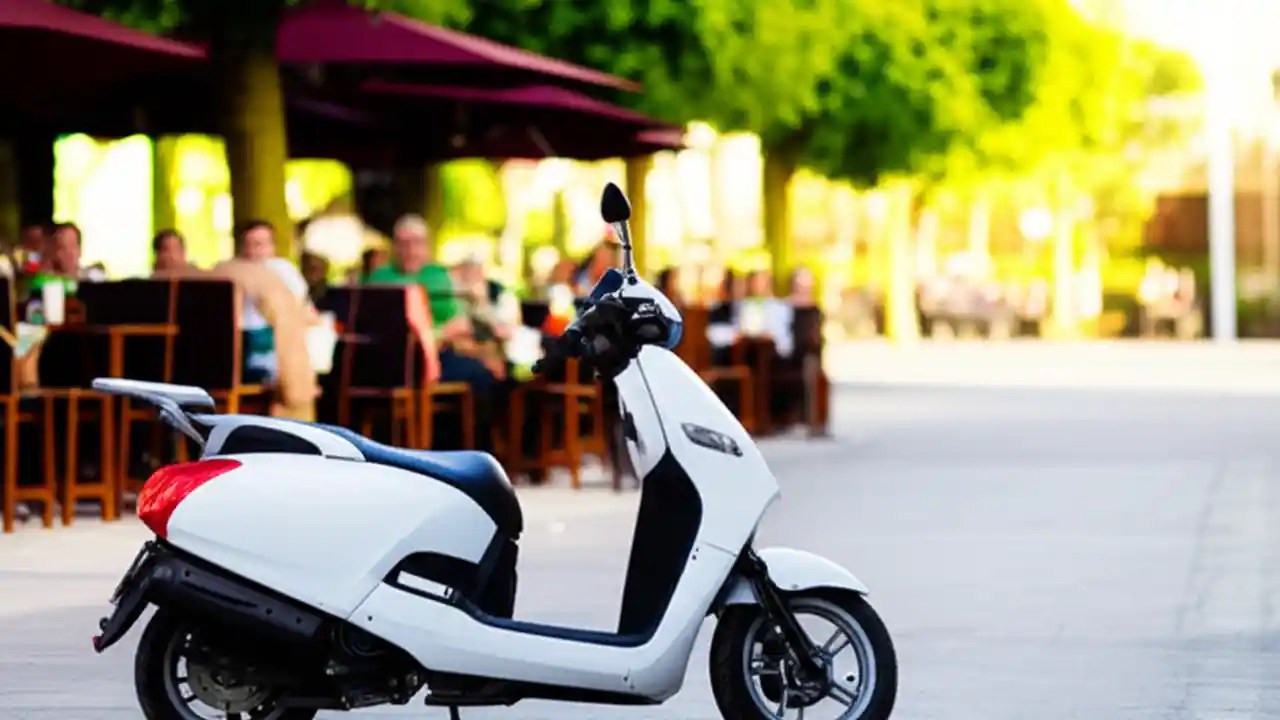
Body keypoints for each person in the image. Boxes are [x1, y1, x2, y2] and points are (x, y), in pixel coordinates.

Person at [364, 215, 496, 450]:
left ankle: (475, 453)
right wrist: (435, 335)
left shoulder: (439, 276)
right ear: (394, 246)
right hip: (393, 361)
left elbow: (459, 323)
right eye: (403, 243)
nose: (410, 250)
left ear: (426, 246)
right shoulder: (379, 278)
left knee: (485, 378)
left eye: (416, 243)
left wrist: (436, 336)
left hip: (438, 354)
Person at [233, 220, 313, 383]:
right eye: (249, 244)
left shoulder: (283, 270)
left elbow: (298, 309)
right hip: (239, 343)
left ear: (272, 247)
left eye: (260, 244)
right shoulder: (234, 271)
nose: (254, 250)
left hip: (271, 345)